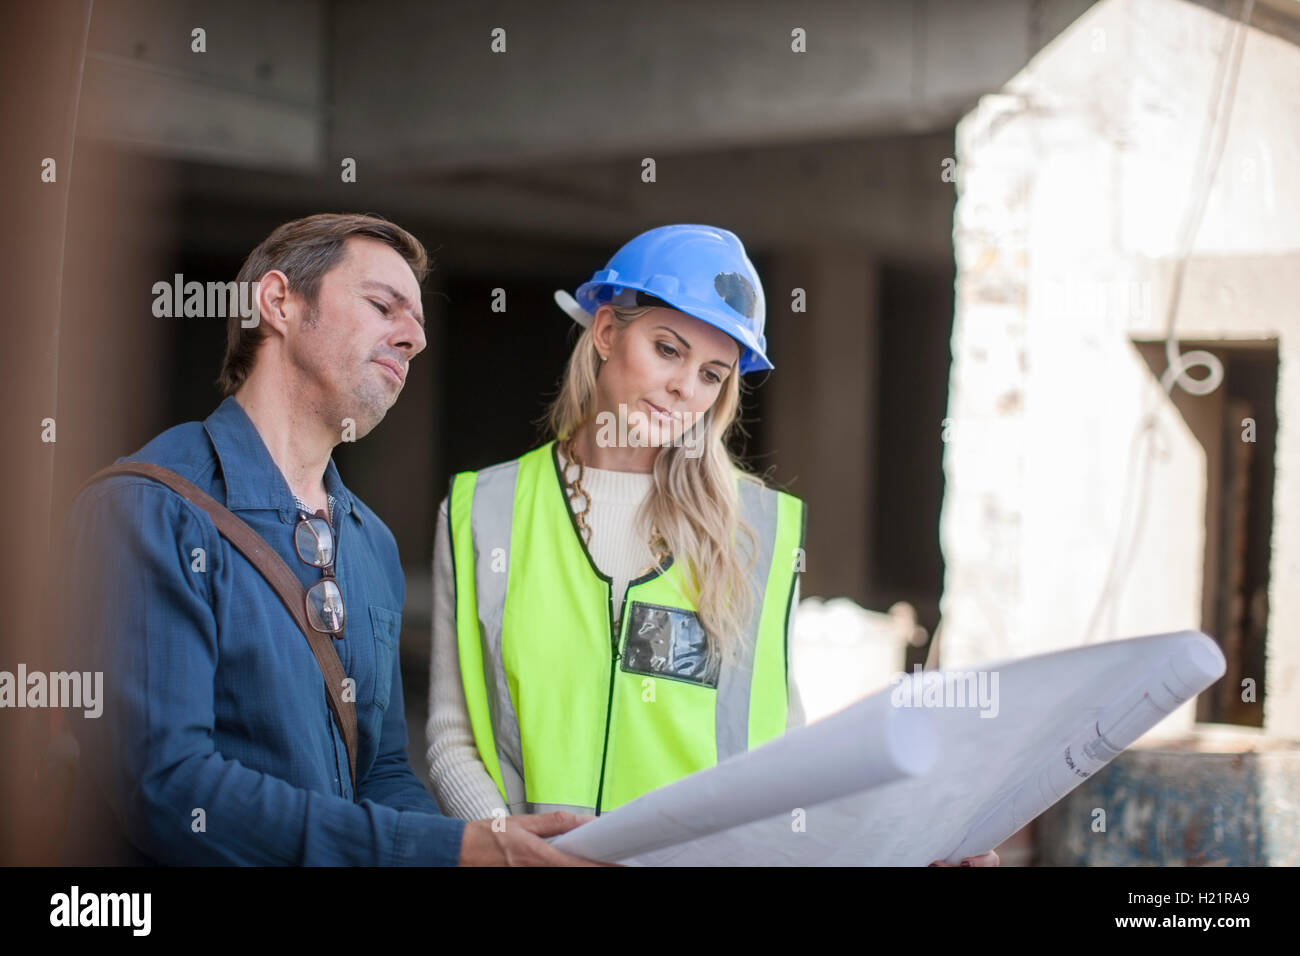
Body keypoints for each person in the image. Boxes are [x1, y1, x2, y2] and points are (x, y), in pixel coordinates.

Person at [56, 213, 594, 866]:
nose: (415, 339)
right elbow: (169, 789)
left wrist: (469, 854)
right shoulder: (148, 506)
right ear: (278, 302)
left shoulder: (371, 542)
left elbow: (382, 771)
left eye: (419, 323)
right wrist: (445, 848)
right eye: (382, 305)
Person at [427, 224, 808, 820]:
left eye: (712, 373)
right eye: (668, 349)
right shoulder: (485, 510)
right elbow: (453, 738)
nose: (685, 387)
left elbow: (785, 750)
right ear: (606, 332)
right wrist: (512, 849)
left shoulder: (758, 531)